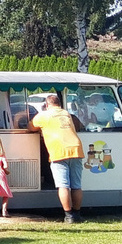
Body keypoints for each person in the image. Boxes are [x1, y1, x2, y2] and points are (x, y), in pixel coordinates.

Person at [31, 92, 87, 223]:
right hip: (76, 149)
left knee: (63, 185)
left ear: (46, 105)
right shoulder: (66, 113)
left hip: (59, 151)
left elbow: (31, 127)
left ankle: (68, 216)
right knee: (76, 186)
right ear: (60, 104)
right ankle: (77, 215)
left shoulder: (43, 116)